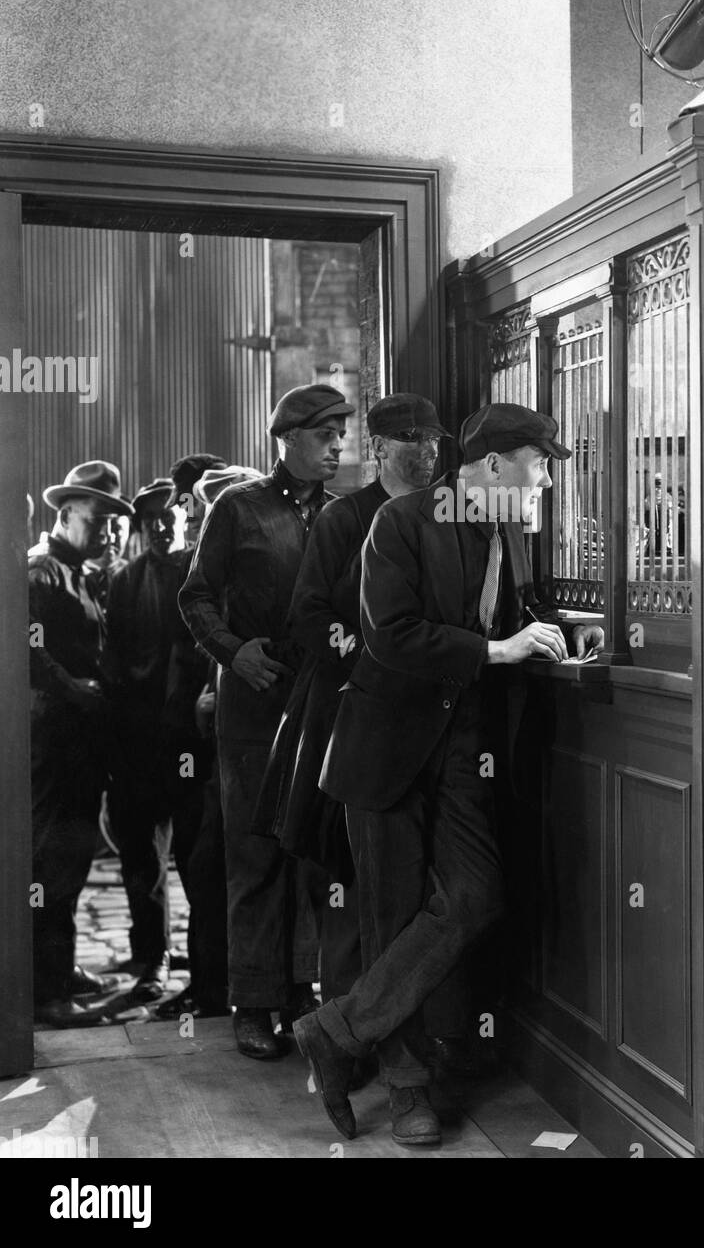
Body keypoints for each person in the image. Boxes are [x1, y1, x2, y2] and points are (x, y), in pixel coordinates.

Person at [293, 402, 604, 1147]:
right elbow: (391, 635)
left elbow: (509, 611)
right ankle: (406, 1093)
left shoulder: (507, 531)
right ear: (493, 466)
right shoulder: (400, 523)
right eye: (539, 461)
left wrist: (564, 628)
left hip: (462, 751)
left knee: (475, 895)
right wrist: (498, 652)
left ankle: (338, 1032)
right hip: (387, 751)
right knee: (393, 917)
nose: (548, 476)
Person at [255, 394, 450, 1017]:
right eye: (415, 441)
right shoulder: (345, 520)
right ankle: (341, 1024)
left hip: (425, 725)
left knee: (410, 884)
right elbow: (308, 614)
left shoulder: (446, 518)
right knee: (342, 877)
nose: (430, 452)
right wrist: (365, 660)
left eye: (435, 441)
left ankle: (387, 1024)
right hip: (343, 716)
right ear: (383, 449)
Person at [179, 385, 353, 1059]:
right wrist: (232, 652)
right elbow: (193, 595)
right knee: (254, 857)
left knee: (310, 852)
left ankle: (306, 994)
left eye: (342, 432)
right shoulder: (237, 507)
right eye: (325, 434)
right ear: (288, 439)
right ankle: (253, 1005)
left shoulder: (343, 516)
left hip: (319, 709)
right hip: (252, 708)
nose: (338, 444)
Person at [154, 465, 263, 1022]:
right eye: (195, 510)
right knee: (204, 865)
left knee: (222, 867)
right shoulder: (196, 569)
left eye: (201, 508)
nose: (193, 517)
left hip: (242, 737)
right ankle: (213, 988)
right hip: (204, 741)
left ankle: (233, 992)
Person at [29, 461, 135, 1027]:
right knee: (48, 865)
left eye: (115, 525)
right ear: (67, 514)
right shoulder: (40, 572)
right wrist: (71, 688)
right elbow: (26, 642)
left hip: (79, 744)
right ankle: (45, 994)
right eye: (99, 522)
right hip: (52, 740)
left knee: (71, 860)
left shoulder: (83, 576)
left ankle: (60, 970)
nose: (108, 534)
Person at [101, 477, 209, 1003]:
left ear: (186, 520)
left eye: (172, 517)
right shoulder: (124, 583)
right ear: (141, 529)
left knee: (195, 858)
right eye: (153, 522)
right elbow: (115, 663)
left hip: (189, 742)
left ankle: (208, 966)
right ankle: (152, 958)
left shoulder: (201, 574)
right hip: (140, 745)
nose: (164, 527)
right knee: (142, 858)